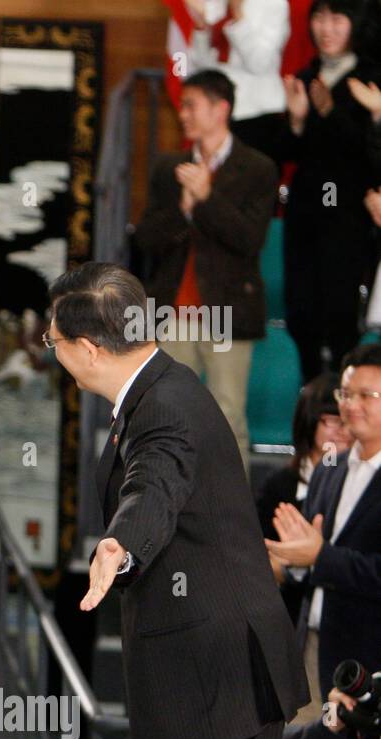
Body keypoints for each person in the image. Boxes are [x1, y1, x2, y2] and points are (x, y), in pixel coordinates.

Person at [53, 261, 306, 739]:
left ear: (86, 348)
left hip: (222, 684)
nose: (51, 352)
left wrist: (120, 543)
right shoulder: (160, 387)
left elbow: (153, 485)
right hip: (215, 682)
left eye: (53, 341)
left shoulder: (164, 407)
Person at [135, 68, 280, 462]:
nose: (183, 113)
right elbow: (146, 237)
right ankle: (163, 517)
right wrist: (183, 209)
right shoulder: (169, 168)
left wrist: (206, 198)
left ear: (221, 109)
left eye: (190, 105)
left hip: (226, 311)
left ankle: (230, 523)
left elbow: (250, 240)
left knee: (226, 420)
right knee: (165, 417)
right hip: (173, 311)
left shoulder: (257, 168)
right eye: (182, 105)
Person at [267, 345, 381, 728]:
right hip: (311, 648)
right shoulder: (327, 471)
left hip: (369, 662)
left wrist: (319, 556)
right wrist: (293, 562)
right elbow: (312, 566)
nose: (352, 406)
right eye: (346, 394)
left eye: (367, 395)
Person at [280, 0, 381, 377]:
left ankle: (340, 400)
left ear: (355, 24)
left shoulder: (371, 79)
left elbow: (366, 153)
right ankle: (312, 398)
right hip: (307, 209)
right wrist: (296, 121)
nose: (326, 28)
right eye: (319, 18)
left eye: (337, 18)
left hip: (349, 213)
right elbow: (292, 153)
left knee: (340, 314)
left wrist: (329, 114)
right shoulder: (307, 77)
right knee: (301, 311)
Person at [257, 373, 352, 626]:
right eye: (333, 420)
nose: (344, 430)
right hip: (283, 616)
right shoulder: (279, 487)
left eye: (348, 420)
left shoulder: (363, 484)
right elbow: (255, 555)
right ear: (309, 423)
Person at [185, 0, 291, 159]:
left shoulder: (273, 4)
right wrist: (201, 26)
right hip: (219, 113)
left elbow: (260, 63)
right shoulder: (216, 3)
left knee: (253, 178)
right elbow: (203, 66)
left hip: (257, 115)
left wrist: (238, 17)